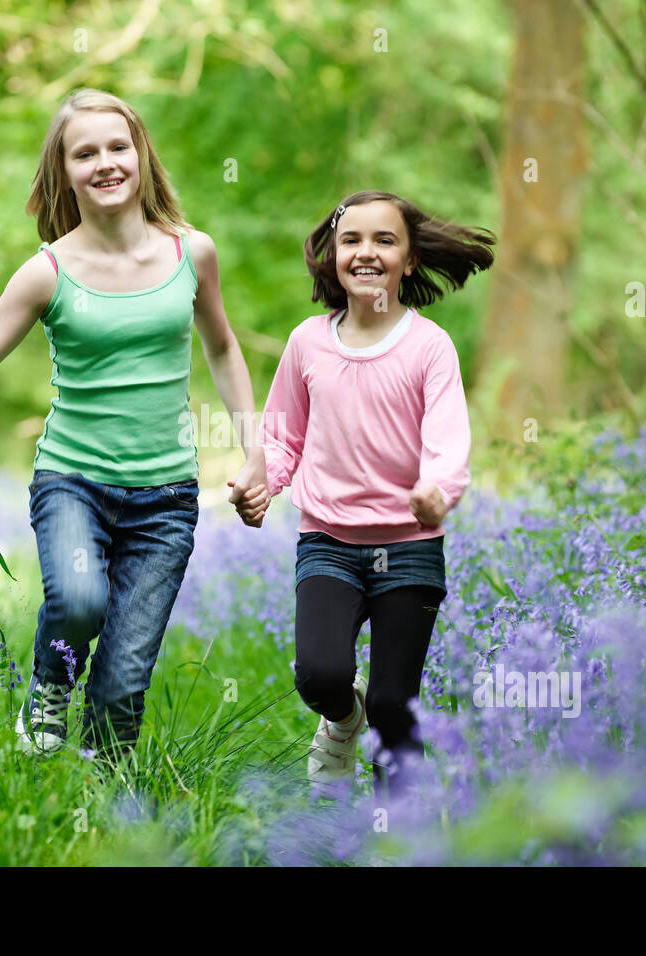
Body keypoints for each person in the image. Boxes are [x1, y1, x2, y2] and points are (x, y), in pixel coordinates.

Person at [0, 88, 267, 766]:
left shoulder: (192, 254)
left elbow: (223, 348)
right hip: (73, 483)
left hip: (166, 497)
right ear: (64, 171)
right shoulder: (47, 273)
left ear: (141, 155)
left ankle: (101, 809)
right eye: (85, 153)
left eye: (117, 146)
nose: (105, 163)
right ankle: (49, 687)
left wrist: (256, 455)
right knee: (79, 599)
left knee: (122, 685)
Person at [234, 190, 494, 797]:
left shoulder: (429, 347)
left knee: (394, 704)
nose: (366, 252)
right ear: (332, 255)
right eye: (351, 240)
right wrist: (261, 484)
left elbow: (448, 440)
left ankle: (393, 839)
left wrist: (437, 490)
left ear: (408, 258)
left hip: (409, 549)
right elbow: (281, 438)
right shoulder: (307, 342)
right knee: (320, 674)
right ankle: (340, 719)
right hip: (327, 540)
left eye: (384, 240)